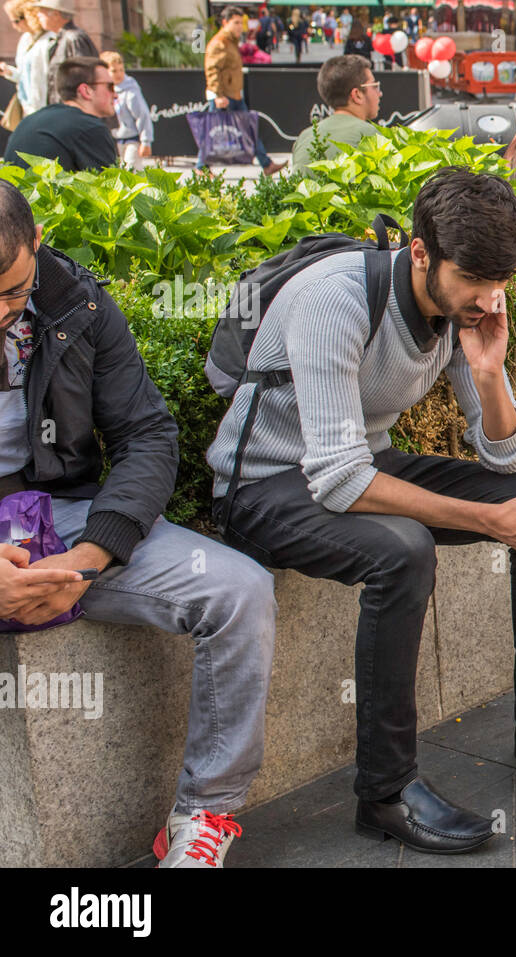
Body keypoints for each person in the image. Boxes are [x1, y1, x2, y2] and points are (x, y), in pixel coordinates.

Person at [207, 167, 516, 854]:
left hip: (358, 464)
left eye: (502, 278)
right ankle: (385, 791)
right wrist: (485, 521)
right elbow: (335, 479)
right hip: (264, 486)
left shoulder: (465, 312)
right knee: (403, 550)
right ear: (421, 253)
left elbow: (504, 457)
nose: (490, 296)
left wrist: (485, 371)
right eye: (475, 278)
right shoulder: (338, 301)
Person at [0, 182, 277, 867]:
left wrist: (92, 556)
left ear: (37, 244)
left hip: (64, 518)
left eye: (9, 294)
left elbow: (148, 436)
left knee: (240, 590)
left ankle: (203, 813)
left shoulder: (81, 303)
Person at [204, 7, 286, 176]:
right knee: (214, 132)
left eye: (241, 23)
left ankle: (266, 164)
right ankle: (201, 166)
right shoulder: (219, 43)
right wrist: (219, 95)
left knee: (248, 129)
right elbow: (212, 70)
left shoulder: (231, 41)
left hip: (233, 95)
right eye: (235, 23)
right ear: (225, 22)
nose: (239, 27)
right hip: (223, 96)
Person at [4, 56, 115, 171]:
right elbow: (108, 183)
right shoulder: (90, 128)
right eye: (110, 87)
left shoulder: (29, 121)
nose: (115, 94)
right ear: (86, 91)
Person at [291, 54, 380, 170]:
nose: (379, 93)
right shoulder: (370, 135)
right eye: (374, 86)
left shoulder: (304, 138)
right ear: (357, 95)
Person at [33, 0, 95, 107]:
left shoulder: (74, 38)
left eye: (42, 11)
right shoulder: (60, 39)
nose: (38, 15)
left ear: (56, 14)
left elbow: (83, 79)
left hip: (74, 113)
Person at [1, 0, 55, 121]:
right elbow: (24, 76)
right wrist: (9, 72)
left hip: (44, 108)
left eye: (16, 21)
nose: (14, 26)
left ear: (28, 17)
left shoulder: (48, 40)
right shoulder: (25, 40)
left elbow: (45, 78)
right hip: (27, 108)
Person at [99, 51, 152, 172]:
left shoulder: (131, 90)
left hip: (132, 139)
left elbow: (142, 114)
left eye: (121, 70)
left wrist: (146, 141)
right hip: (115, 140)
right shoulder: (105, 90)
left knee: (131, 171)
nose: (119, 74)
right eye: (114, 71)